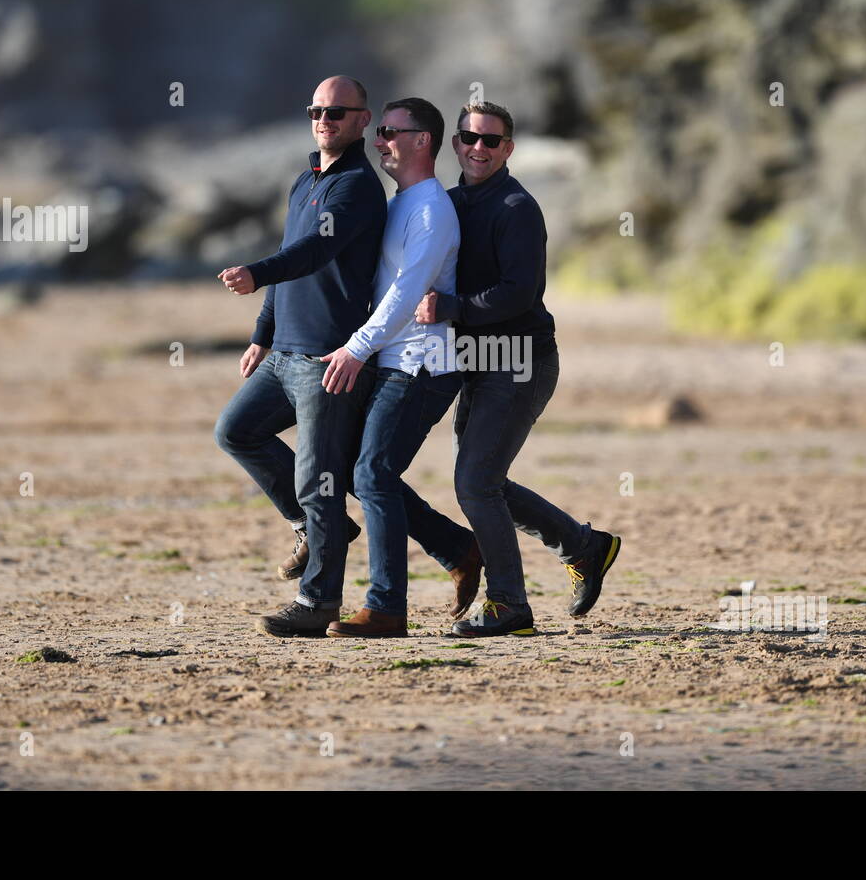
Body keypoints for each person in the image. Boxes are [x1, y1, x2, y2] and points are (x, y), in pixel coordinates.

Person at [411, 101, 622, 638]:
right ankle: (583, 545)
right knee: (484, 481)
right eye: (469, 139)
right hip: (474, 361)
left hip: (521, 358)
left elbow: (518, 292)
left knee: (475, 483)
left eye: (491, 141)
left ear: (508, 149)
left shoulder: (516, 206)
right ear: (454, 145)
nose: (478, 149)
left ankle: (509, 605)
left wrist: (451, 308)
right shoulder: (450, 202)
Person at [213, 75, 384, 638]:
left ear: (362, 119)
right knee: (236, 432)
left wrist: (256, 271)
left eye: (337, 111)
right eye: (316, 109)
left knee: (321, 481)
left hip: (327, 356)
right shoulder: (306, 179)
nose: (324, 119)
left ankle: (318, 603)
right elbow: (293, 261)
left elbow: (315, 252)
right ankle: (308, 527)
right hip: (284, 352)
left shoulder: (357, 186)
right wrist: (263, 330)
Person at [322, 97, 474, 639]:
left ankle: (386, 607)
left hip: (423, 362)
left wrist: (355, 348)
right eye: (379, 130)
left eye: (389, 131)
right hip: (393, 358)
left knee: (372, 473)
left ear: (422, 141)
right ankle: (457, 548)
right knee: (357, 469)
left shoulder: (431, 211)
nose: (379, 139)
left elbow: (407, 294)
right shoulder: (401, 203)